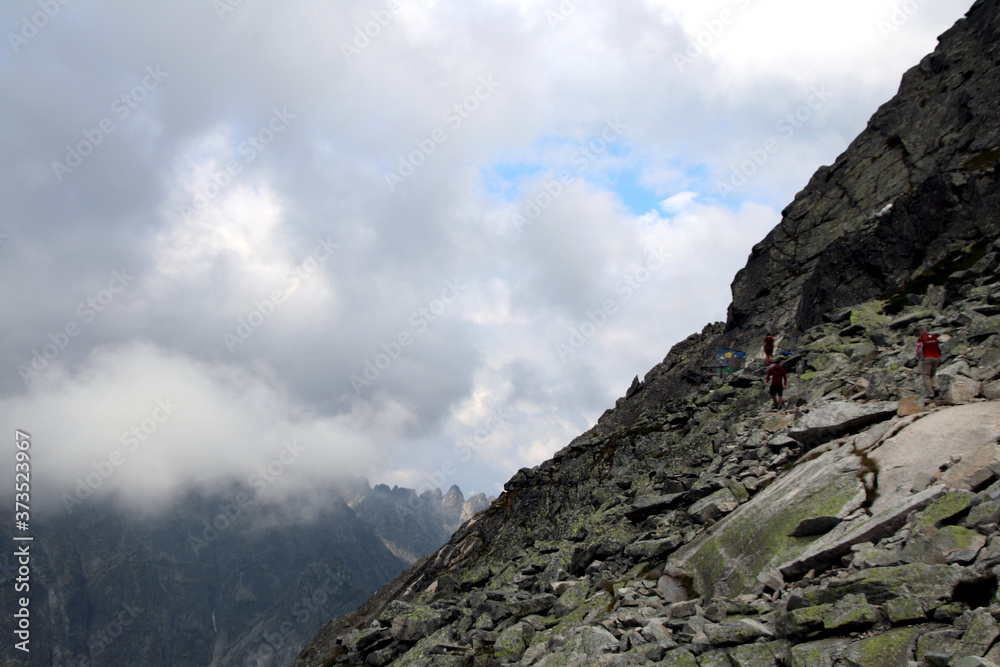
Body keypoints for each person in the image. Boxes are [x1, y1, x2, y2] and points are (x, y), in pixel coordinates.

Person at [916, 327, 941, 398]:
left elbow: (919, 349)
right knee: (933, 374)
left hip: (927, 357)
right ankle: (936, 387)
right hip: (936, 357)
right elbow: (939, 347)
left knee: (926, 375)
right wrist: (940, 357)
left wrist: (917, 358)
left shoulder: (921, 338)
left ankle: (930, 394)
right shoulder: (934, 337)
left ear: (921, 331)